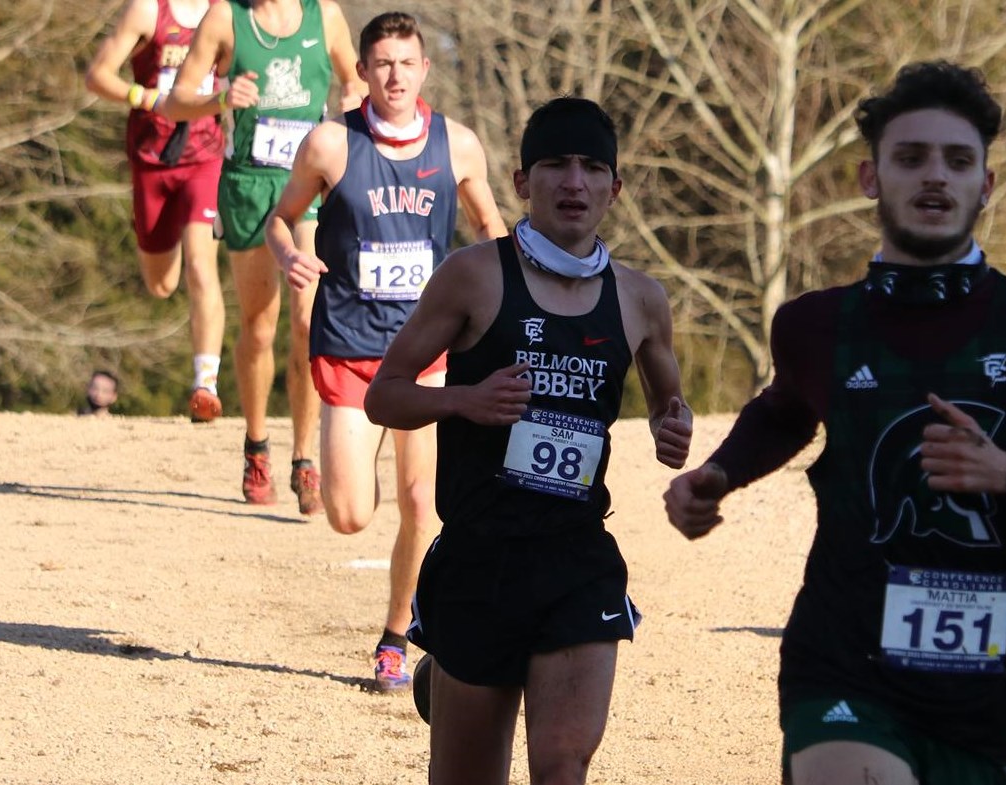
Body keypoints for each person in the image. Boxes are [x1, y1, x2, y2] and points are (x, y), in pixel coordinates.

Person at [664, 61, 1006, 785]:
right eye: (911, 157)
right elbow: (784, 412)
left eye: (959, 161)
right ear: (870, 178)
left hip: (978, 700)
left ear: (986, 186)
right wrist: (719, 473)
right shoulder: (814, 326)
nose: (936, 176)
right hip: (840, 666)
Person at [364, 97, 694, 785]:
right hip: (479, 557)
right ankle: (446, 672)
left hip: (576, 557)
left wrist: (674, 424)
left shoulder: (640, 300)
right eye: (555, 165)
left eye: (592, 167)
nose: (574, 182)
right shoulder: (474, 275)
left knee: (561, 762)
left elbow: (671, 400)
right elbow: (384, 393)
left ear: (614, 188)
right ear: (522, 182)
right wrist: (464, 401)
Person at [263, 11, 507, 692]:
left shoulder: (457, 145)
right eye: (383, 64)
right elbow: (282, 220)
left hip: (427, 350)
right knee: (348, 514)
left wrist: (507, 292)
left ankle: (396, 635)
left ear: (425, 70)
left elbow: (490, 226)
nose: (395, 76)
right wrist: (291, 258)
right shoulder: (329, 145)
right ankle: (341, 477)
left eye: (407, 63)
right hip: (348, 349)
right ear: (363, 72)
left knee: (421, 500)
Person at [160, 0, 363, 513]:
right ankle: (256, 445)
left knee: (306, 317)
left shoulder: (326, 18)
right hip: (249, 183)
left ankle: (303, 459)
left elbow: (354, 79)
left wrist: (351, 115)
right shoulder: (226, 18)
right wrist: (220, 96)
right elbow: (174, 100)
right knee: (259, 322)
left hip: (310, 185)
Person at [84, 0, 227, 423]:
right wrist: (145, 96)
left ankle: (206, 384)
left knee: (202, 265)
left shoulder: (226, 14)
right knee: (162, 284)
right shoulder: (147, 10)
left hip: (205, 157)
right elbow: (97, 76)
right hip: (152, 158)